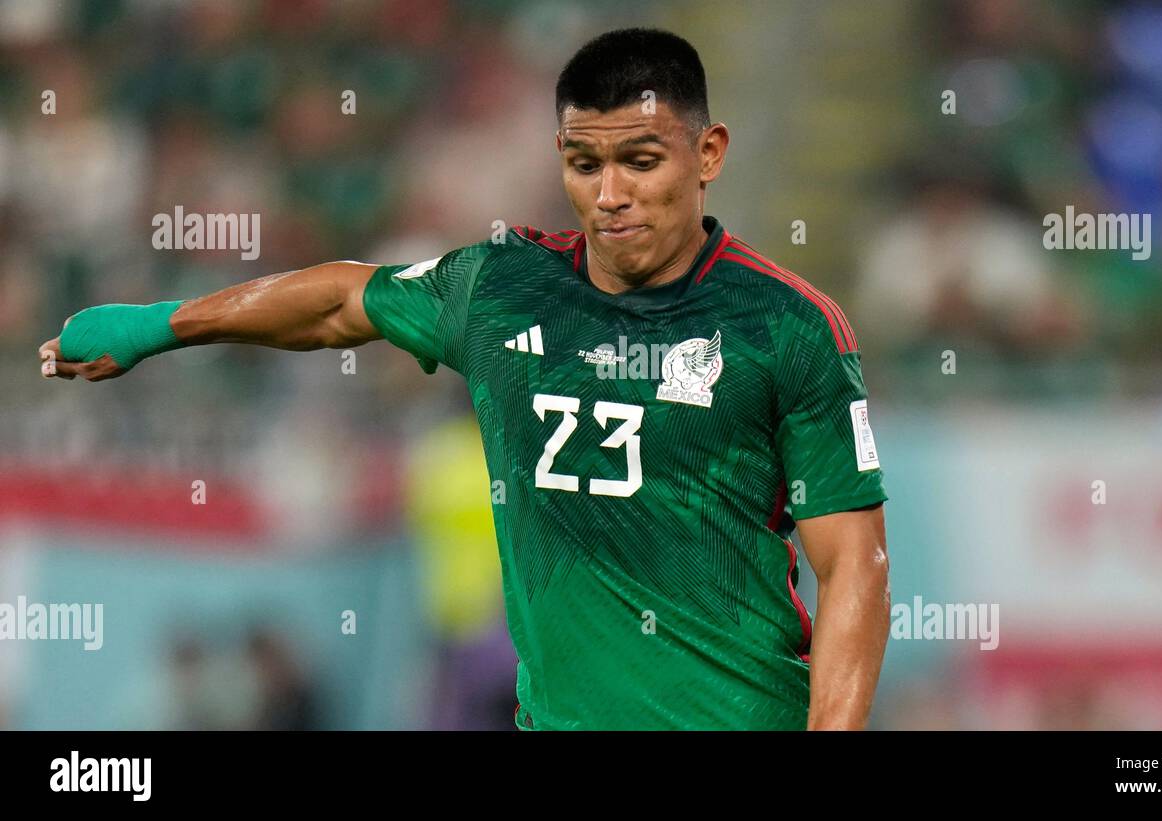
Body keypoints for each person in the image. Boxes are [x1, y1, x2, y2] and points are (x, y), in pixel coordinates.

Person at [38, 28, 891, 730]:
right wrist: (159, 325)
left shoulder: (786, 327)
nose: (610, 194)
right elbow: (342, 300)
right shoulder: (501, 287)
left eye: (641, 160)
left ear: (707, 154)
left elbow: (855, 563)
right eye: (585, 165)